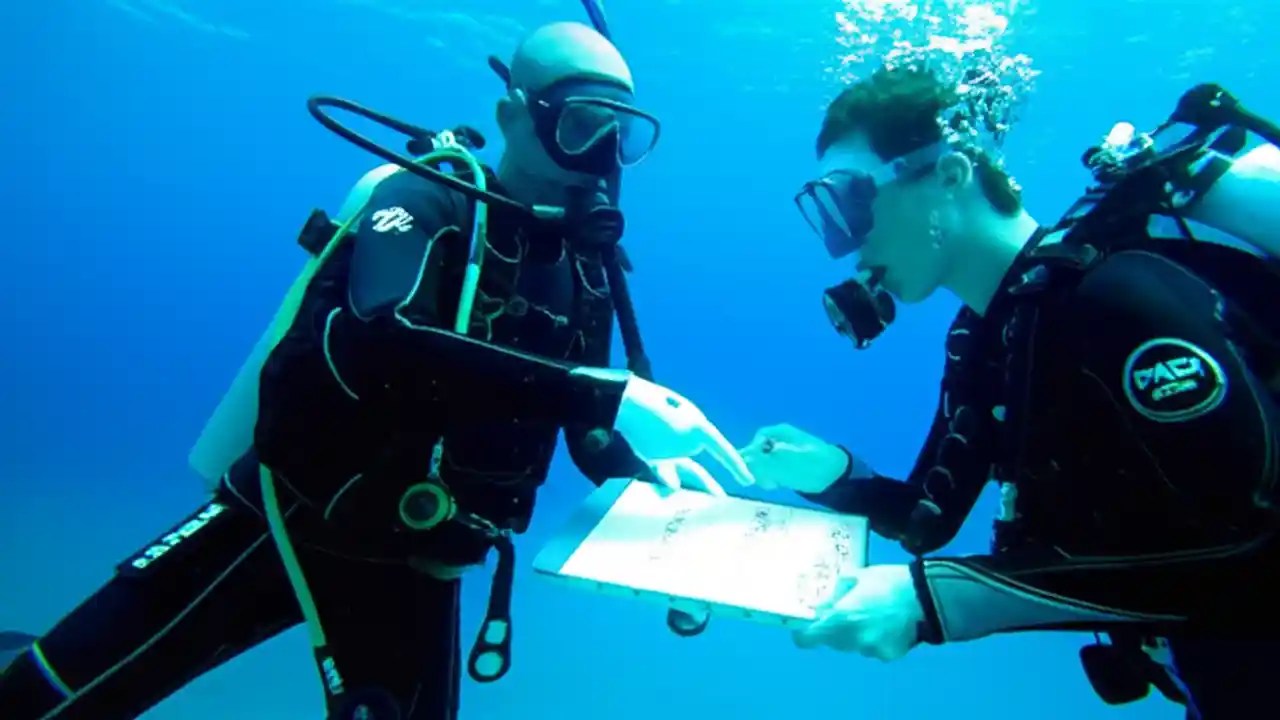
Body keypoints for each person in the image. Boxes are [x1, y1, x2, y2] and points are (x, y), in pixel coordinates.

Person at [0, 20, 754, 720]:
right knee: (45, 699)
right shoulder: (425, 197)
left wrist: (639, 478)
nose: (601, 157)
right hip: (284, 520)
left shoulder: (591, 268)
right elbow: (380, 341)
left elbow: (584, 427)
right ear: (513, 115)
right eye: (582, 124)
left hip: (422, 553)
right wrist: (606, 394)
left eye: (623, 137)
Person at [741, 65, 1280, 718]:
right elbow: (925, 520)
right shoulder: (988, 332)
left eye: (850, 201)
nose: (845, 246)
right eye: (827, 214)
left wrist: (941, 601)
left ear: (949, 176)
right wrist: (831, 473)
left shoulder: (1113, 297)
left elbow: (1260, 559)